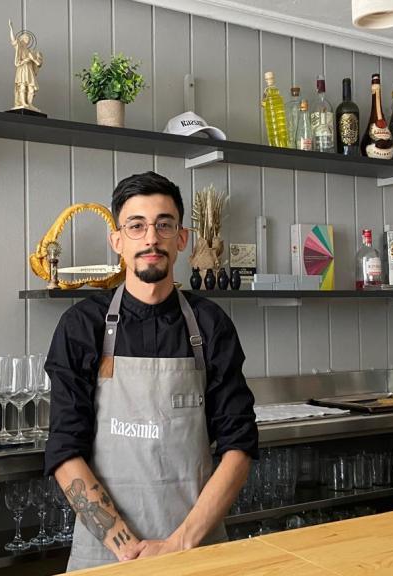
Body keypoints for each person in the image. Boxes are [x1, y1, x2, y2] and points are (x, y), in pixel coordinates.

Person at [44, 172, 257, 571]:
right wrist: (128, 549)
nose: (151, 239)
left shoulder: (211, 325)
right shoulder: (82, 326)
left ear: (182, 239)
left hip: (196, 548)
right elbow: (64, 449)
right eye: (136, 226)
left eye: (164, 225)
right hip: (105, 554)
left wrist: (180, 543)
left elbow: (239, 445)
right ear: (117, 241)